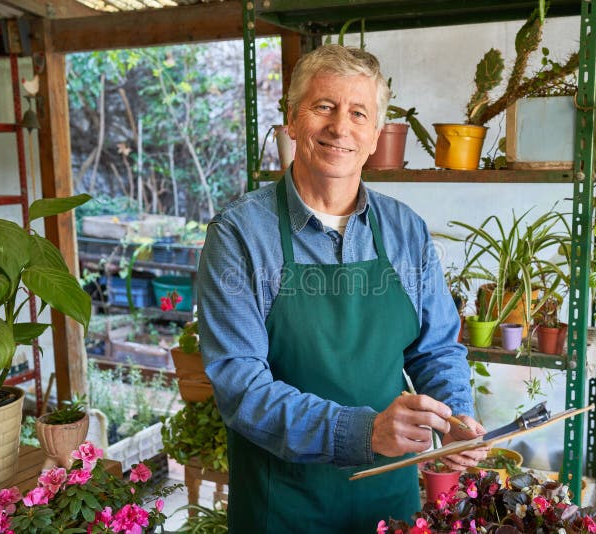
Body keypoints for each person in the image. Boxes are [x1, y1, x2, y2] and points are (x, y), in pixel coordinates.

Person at [197, 44, 487, 532]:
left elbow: (436, 349)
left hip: (389, 502)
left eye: (359, 113)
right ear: (292, 120)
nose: (340, 127)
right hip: (282, 505)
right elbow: (241, 389)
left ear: (375, 136)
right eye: (323, 107)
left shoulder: (405, 230)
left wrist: (456, 416)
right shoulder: (239, 235)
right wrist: (366, 431)